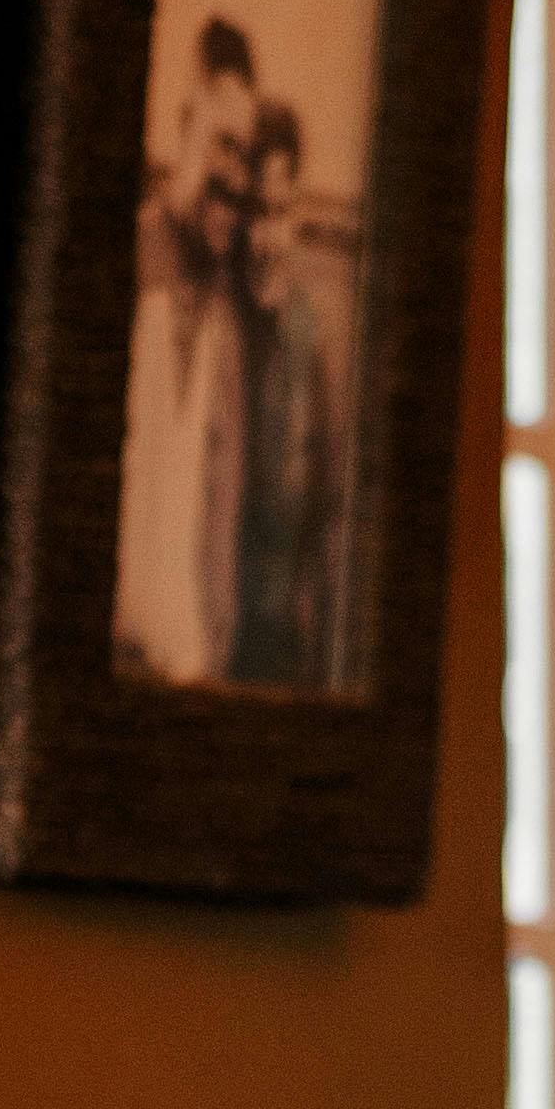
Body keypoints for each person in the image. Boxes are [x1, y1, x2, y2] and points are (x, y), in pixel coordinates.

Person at [111, 14, 258, 682]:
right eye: (222, 143)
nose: (234, 174)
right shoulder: (124, 264)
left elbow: (222, 522)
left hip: (185, 668)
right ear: (183, 125)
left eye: (243, 156)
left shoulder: (227, 323)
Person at [230, 93, 356, 690]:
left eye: (277, 215)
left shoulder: (314, 336)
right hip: (216, 610)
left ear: (298, 214)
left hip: (285, 626)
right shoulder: (225, 321)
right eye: (254, 215)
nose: (265, 240)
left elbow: (329, 488)